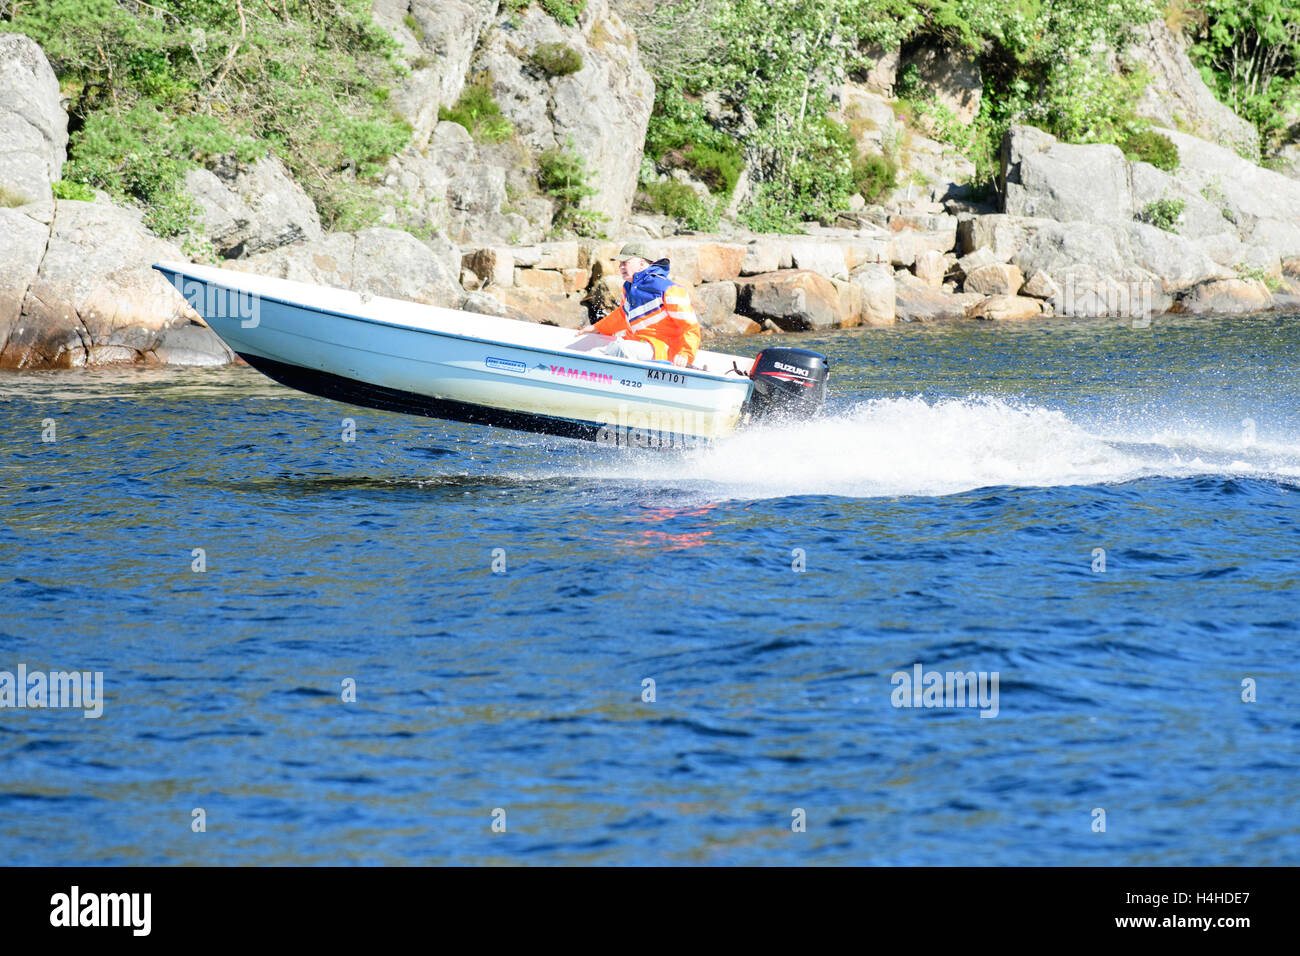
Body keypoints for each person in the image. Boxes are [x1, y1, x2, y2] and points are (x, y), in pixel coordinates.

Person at [579, 242, 701, 366]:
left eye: (625, 263)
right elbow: (622, 315)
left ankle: (581, 365)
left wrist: (685, 354)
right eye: (620, 263)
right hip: (640, 346)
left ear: (641, 264)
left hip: (663, 352)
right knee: (618, 346)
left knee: (621, 348)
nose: (620, 267)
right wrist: (597, 328)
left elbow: (690, 327)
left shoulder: (669, 290)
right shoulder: (630, 287)